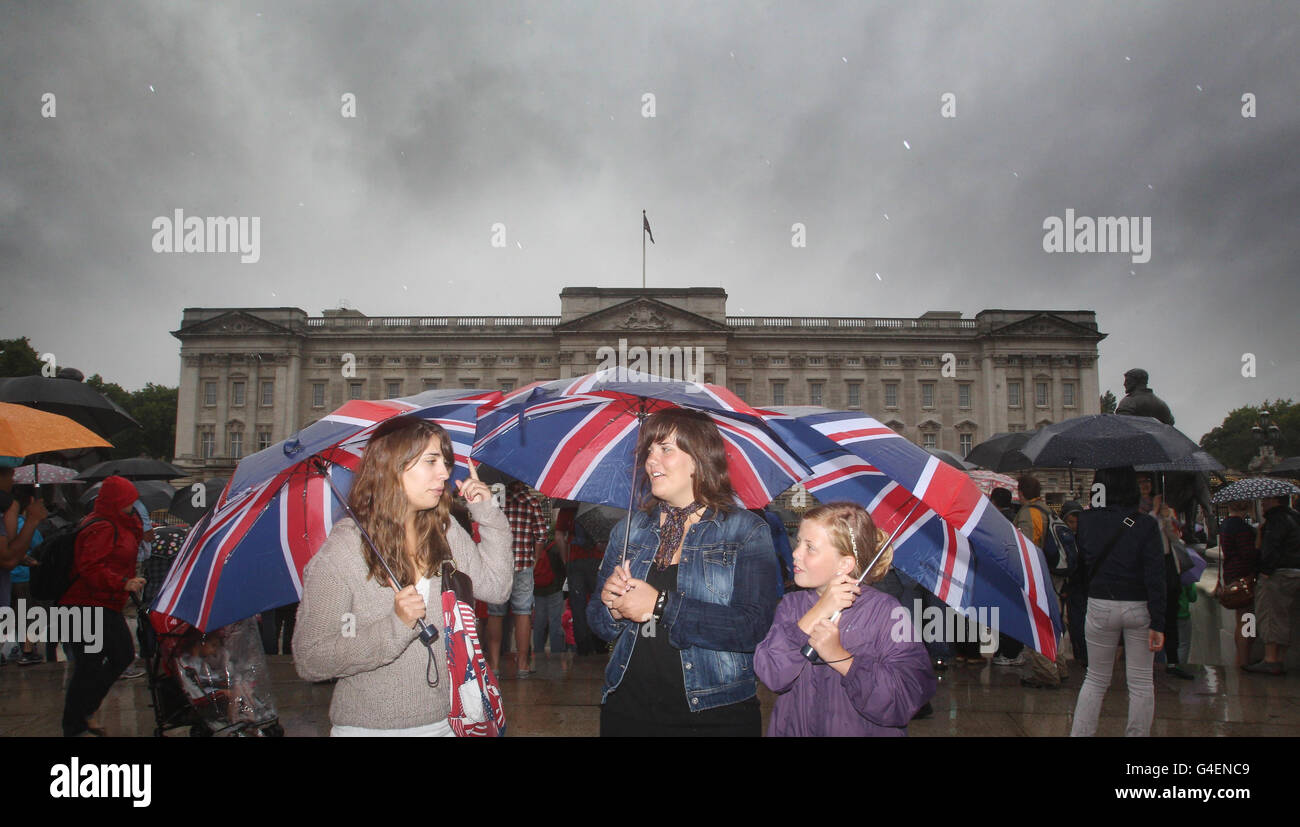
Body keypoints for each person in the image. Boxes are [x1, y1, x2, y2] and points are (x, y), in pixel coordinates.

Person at [292, 418, 512, 736]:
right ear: (393, 466)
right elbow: (310, 659)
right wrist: (395, 627)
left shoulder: (444, 529)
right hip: (369, 728)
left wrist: (487, 514)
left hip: (448, 722)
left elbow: (497, 586)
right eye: (431, 461)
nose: (445, 473)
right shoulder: (345, 548)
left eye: (445, 462)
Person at [588, 408, 780, 737]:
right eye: (649, 451)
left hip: (714, 712)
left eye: (665, 449)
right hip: (628, 708)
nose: (651, 461)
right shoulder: (629, 531)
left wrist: (661, 605)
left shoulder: (744, 531)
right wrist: (609, 606)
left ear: (699, 458)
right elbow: (597, 622)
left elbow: (754, 628)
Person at [754, 502, 936, 736]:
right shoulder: (792, 606)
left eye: (810, 547)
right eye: (798, 542)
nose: (796, 553)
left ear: (844, 564)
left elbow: (904, 697)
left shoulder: (886, 612)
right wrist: (818, 611)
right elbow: (772, 675)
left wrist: (840, 658)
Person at [1070, 466, 1166, 737]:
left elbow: (1084, 563)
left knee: (1095, 679)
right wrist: (1158, 621)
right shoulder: (1146, 523)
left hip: (1100, 602)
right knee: (1141, 682)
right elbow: (1155, 576)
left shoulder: (1086, 521)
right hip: (1138, 605)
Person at [59, 475, 145, 737]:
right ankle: (76, 722)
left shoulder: (116, 523)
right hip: (86, 604)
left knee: (99, 662)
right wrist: (123, 582)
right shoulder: (104, 527)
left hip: (101, 602)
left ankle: (82, 715)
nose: (133, 505)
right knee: (101, 661)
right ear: (117, 502)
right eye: (129, 501)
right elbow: (90, 567)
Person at [486, 480, 548, 677]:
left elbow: (486, 528)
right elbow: (540, 536)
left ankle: (494, 665)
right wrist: (534, 559)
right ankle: (522, 665)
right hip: (523, 565)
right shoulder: (530, 501)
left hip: (498, 566)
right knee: (523, 613)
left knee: (495, 614)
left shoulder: (496, 498)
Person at [1016, 474, 1070, 688]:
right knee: (1052, 621)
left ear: (1021, 492)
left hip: (1037, 575)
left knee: (1036, 623)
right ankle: (1061, 666)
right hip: (1052, 574)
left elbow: (1027, 547)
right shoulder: (1048, 510)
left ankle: (1045, 672)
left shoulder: (1029, 513)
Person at [1242, 494, 1300, 675]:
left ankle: (1271, 659)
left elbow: (1271, 549)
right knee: (1284, 616)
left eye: (1266, 500)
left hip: (1276, 574)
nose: (1262, 503)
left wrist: (1265, 571)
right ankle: (1279, 658)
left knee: (1270, 615)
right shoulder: (1295, 517)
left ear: (1276, 500)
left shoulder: (1276, 520)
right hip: (1293, 572)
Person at [1216, 501, 1259, 667]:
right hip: (1244, 578)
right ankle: (1244, 659)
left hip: (1231, 576)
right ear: (1245, 507)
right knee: (1247, 619)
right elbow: (1248, 554)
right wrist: (1259, 539)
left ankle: (1241, 658)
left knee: (1241, 619)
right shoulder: (1241, 528)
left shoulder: (1225, 525)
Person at [1059, 500, 1089, 666]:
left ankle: (1081, 655)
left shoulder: (1086, 539)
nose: (1074, 525)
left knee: (1078, 624)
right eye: (1070, 521)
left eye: (1077, 522)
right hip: (1068, 587)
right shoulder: (1063, 538)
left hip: (1080, 587)